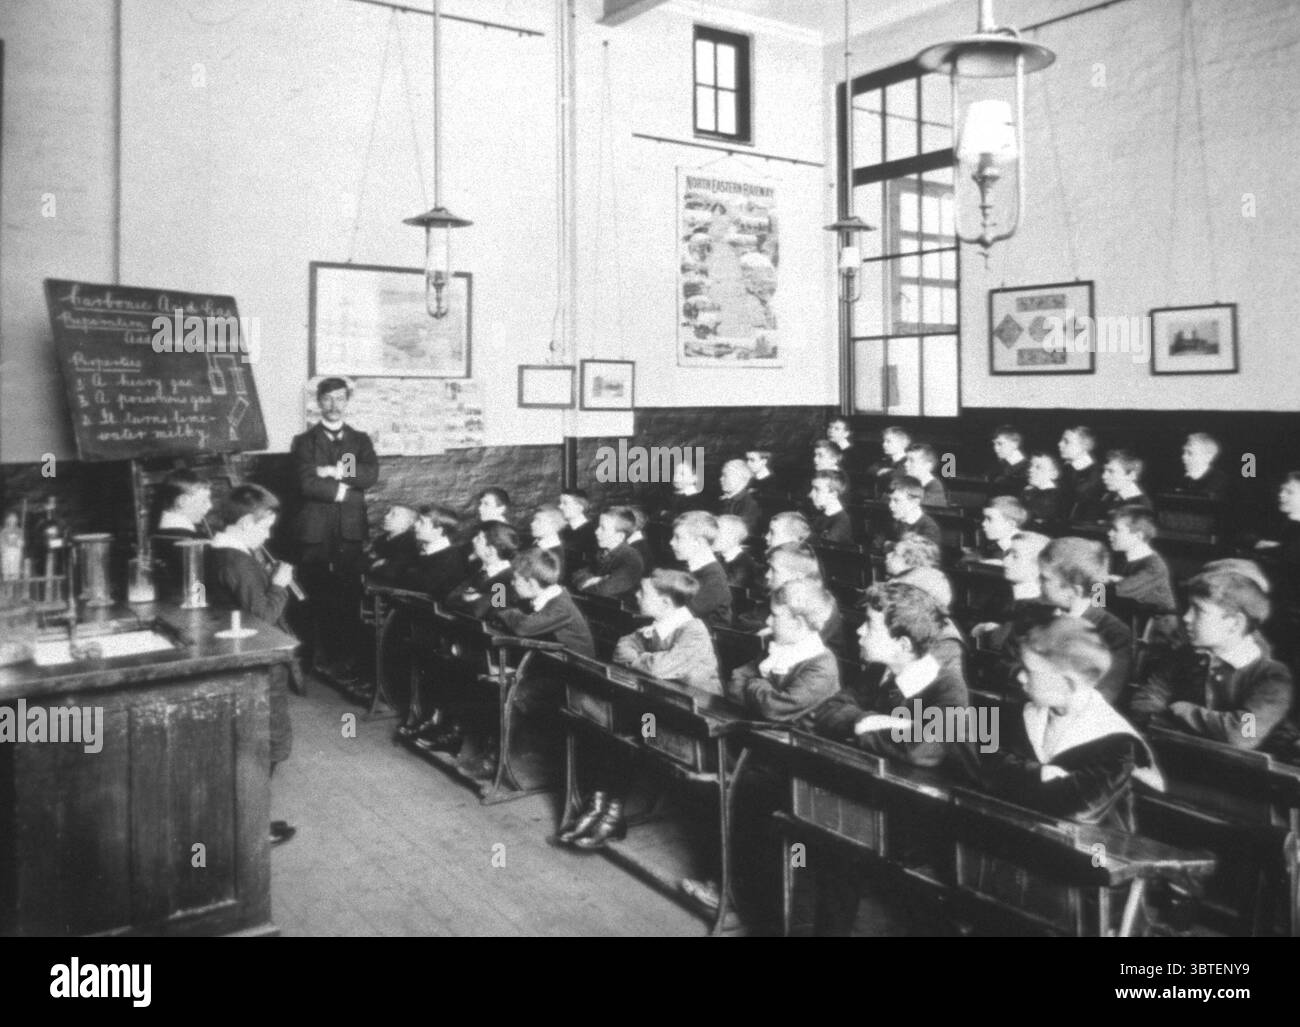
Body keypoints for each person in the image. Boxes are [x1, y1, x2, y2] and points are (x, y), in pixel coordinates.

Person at [809, 582, 980, 935]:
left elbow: (923, 749)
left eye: (869, 625)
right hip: (876, 800)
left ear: (903, 645)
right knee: (835, 845)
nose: (858, 630)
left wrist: (862, 725)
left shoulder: (947, 687)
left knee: (915, 904)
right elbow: (827, 712)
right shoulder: (878, 672)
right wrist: (867, 722)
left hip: (926, 824)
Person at [558, 572, 723, 851]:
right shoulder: (657, 626)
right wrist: (648, 659)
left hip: (695, 728)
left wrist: (643, 659)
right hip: (662, 711)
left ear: (665, 601)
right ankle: (601, 809)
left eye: (642, 592)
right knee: (612, 730)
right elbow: (622, 648)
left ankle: (610, 815)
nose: (636, 595)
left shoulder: (693, 630)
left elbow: (661, 669)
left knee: (622, 732)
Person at [983, 618, 1163, 830]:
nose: (1021, 677)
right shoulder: (1026, 711)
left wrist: (1021, 773)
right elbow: (987, 764)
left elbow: (1076, 807)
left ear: (1067, 682)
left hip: (1097, 851)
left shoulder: (1118, 742)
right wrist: (1046, 776)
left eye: (1030, 671)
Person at [205, 484, 297, 846]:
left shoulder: (227, 551)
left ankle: (247, 819)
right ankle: (249, 828)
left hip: (242, 656)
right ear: (245, 522)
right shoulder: (237, 561)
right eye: (265, 525)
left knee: (256, 743)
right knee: (268, 741)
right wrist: (279, 585)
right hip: (256, 659)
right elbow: (263, 617)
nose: (269, 533)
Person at [1129, 569, 1296, 754]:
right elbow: (1144, 704)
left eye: (1199, 610)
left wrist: (1181, 710)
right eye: (1188, 608)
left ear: (1235, 624)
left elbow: (1242, 734)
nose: (1186, 617)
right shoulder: (1186, 656)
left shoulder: (1271, 677)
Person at [291, 377, 380, 685]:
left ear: (347, 402)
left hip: (350, 530)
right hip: (314, 531)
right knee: (313, 595)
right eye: (327, 399)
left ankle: (344, 663)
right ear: (319, 402)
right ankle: (312, 662)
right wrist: (343, 490)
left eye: (340, 399)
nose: (333, 405)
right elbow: (306, 483)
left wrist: (334, 471)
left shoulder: (360, 439)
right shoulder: (304, 442)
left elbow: (370, 476)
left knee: (347, 595)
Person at [1038, 537, 1133, 706]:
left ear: (1074, 590)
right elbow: (1008, 660)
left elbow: (1104, 694)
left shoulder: (1114, 633)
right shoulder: (1035, 614)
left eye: (1045, 578)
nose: (1038, 583)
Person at [736, 543, 846, 657]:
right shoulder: (781, 594)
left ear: (797, 576)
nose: (767, 575)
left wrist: (770, 632)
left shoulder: (820, 606)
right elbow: (745, 620)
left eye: (773, 570)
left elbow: (802, 648)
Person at [153, 470, 214, 598]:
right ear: (182, 501)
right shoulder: (197, 543)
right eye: (204, 501)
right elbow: (204, 591)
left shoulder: (152, 536)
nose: (210, 506)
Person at [1107, 505, 1177, 614]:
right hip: (1132, 616)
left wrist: (1095, 582)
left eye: (1116, 530)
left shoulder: (1154, 567)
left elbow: (1116, 591)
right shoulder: (1122, 558)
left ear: (1138, 536)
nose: (1109, 533)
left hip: (1155, 625)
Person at [668, 511, 732, 626]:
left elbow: (683, 616)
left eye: (678, 538)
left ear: (699, 542)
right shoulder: (687, 568)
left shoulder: (715, 579)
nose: (671, 542)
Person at [446, 522, 520, 618]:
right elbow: (450, 599)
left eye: (478, 539)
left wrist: (463, 598)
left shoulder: (508, 581)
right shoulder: (477, 569)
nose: (473, 540)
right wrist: (466, 598)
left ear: (490, 551)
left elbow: (480, 615)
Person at [397, 504, 469, 600]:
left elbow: (421, 587)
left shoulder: (449, 559)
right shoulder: (425, 550)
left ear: (438, 531)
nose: (415, 524)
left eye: (422, 522)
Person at [573, 507, 644, 602]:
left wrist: (594, 581)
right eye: (598, 526)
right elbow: (576, 575)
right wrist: (598, 580)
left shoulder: (631, 560)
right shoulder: (601, 550)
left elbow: (603, 591)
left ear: (620, 536)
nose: (596, 532)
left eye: (603, 528)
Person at [1058, 426, 1104, 522]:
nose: (1059, 444)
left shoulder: (1098, 476)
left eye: (1067, 441)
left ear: (1085, 446)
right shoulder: (1065, 469)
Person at [365, 505, 420, 585]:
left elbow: (392, 573)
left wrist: (381, 564)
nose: (386, 516)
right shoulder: (382, 539)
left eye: (394, 514)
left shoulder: (409, 544)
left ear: (408, 522)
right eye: (388, 513)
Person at [885, 477, 940, 548]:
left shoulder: (929, 528)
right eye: (890, 499)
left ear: (915, 502)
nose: (890, 505)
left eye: (896, 500)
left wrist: (892, 546)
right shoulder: (895, 522)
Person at [1099, 449, 1154, 519]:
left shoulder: (1139, 508)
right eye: (1104, 470)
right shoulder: (1109, 498)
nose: (1103, 476)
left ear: (1132, 475)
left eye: (1111, 471)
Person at [1173, 433, 1228, 501]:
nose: (1183, 457)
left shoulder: (1220, 483)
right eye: (1184, 452)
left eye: (1190, 453)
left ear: (1208, 456)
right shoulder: (1184, 481)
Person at [1022, 452, 1065, 535]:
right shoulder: (1028, 491)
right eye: (1031, 465)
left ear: (1054, 474)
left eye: (1038, 467)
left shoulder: (1054, 497)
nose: (1030, 470)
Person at [559, 489, 597, 582]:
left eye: (565, 503)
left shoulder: (592, 533)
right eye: (560, 503)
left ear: (579, 507)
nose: (560, 506)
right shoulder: (563, 531)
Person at [717, 459, 762, 538]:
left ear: (740, 477)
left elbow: (741, 536)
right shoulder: (725, 500)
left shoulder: (750, 504)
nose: (720, 479)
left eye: (725, 475)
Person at [714, 514, 758, 590]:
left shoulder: (744, 565)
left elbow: (730, 592)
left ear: (733, 537)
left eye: (719, 533)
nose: (713, 536)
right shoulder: (717, 557)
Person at [808, 470, 854, 544]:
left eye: (817, 489)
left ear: (833, 494)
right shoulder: (822, 516)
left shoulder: (841, 523)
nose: (810, 494)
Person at [868, 426, 910, 498]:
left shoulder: (909, 461)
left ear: (902, 443)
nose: (884, 444)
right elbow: (871, 470)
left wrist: (889, 472)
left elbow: (900, 475)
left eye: (888, 441)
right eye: (883, 441)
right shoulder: (885, 461)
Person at [988, 425, 1030, 497]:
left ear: (1015, 444)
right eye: (994, 444)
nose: (995, 448)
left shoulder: (1029, 470)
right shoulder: (998, 467)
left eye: (1000, 443)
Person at [529, 505, 568, 577]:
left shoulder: (554, 557)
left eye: (538, 520)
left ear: (554, 524)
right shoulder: (536, 543)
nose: (532, 524)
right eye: (533, 520)